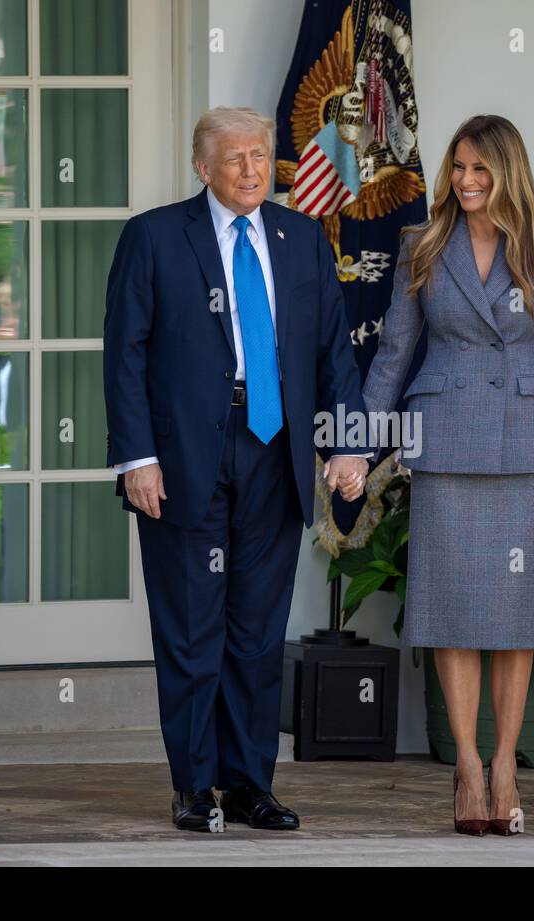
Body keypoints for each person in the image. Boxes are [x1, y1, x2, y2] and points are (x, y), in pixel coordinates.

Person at [102, 107, 371, 832]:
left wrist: (348, 443)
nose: (251, 170)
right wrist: (137, 457)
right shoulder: (155, 238)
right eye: (234, 158)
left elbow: (333, 355)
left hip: (274, 450)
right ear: (202, 166)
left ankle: (249, 785)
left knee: (257, 631)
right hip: (183, 457)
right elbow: (124, 354)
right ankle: (193, 786)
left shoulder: (303, 240)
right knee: (192, 629)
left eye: (260, 156)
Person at [354, 114, 534, 835]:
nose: (464, 181)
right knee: (453, 613)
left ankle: (506, 765)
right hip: (448, 441)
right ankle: (465, 763)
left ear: (507, 172)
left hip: (527, 443)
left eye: (479, 170)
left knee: (517, 621)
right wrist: (357, 446)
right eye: (457, 167)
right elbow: (393, 355)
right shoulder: (422, 245)